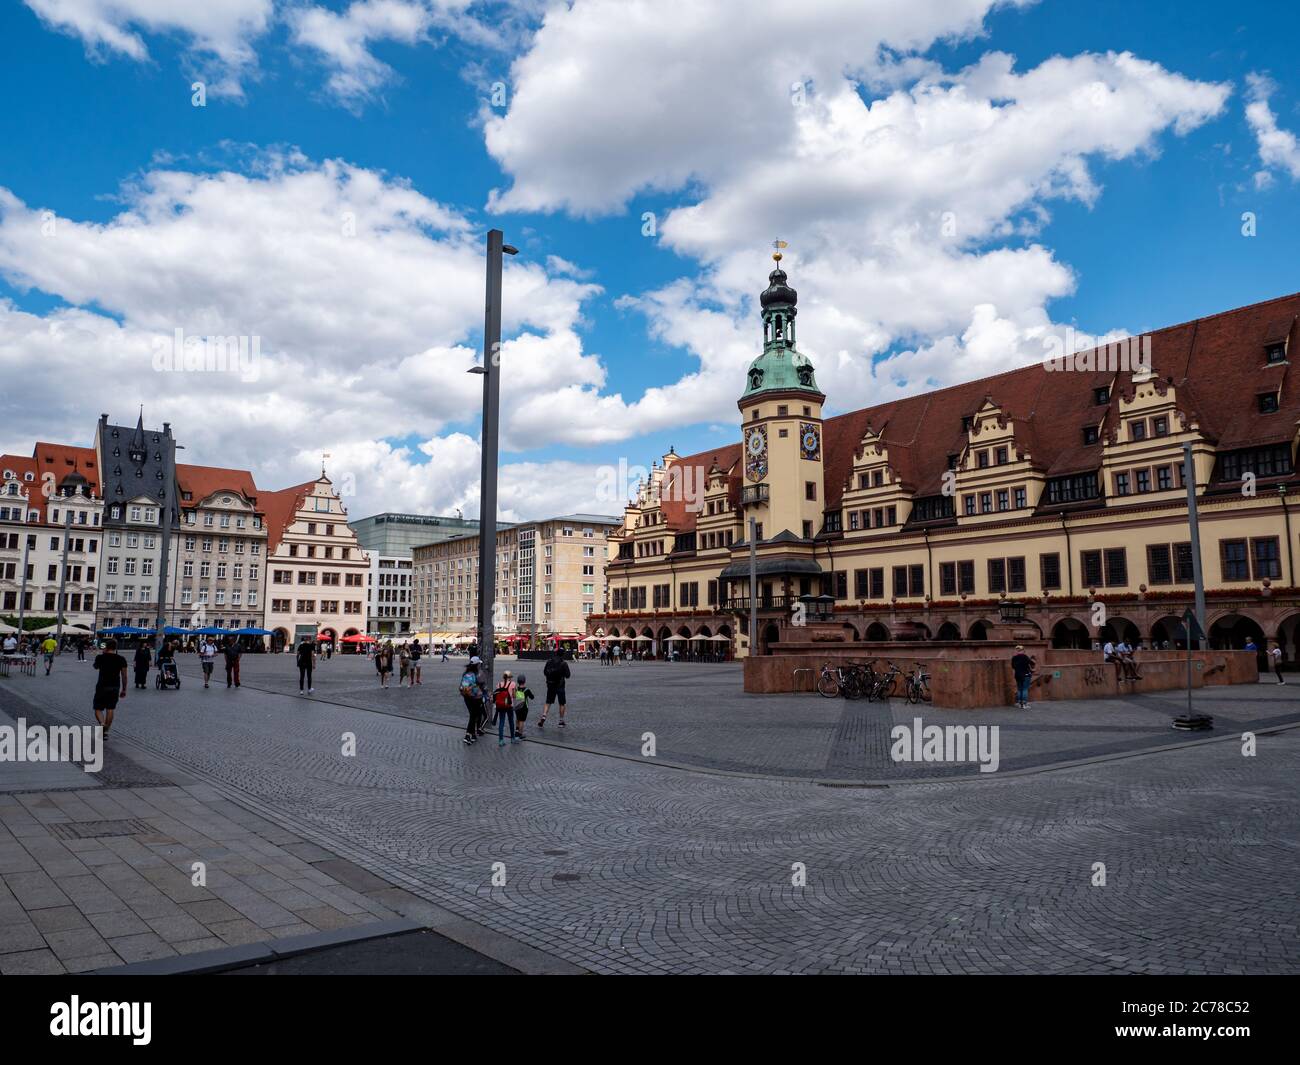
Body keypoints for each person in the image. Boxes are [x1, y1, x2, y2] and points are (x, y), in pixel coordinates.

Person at [92, 638, 128, 738]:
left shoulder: (101, 657)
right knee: (110, 708)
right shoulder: (121, 659)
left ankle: (102, 724)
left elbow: (95, 667)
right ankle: (106, 731)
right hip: (114, 686)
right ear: (115, 647)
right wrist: (124, 689)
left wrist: (103, 654)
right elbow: (124, 675)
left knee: (98, 708)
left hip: (102, 686)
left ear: (106, 647)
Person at [537, 649, 570, 729]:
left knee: (548, 702)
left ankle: (544, 715)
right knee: (562, 703)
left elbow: (545, 672)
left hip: (550, 684)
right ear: (563, 655)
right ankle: (561, 721)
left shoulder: (549, 661)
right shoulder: (564, 663)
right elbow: (568, 675)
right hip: (560, 685)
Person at [460, 658, 486, 745]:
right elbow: (483, 685)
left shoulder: (466, 673)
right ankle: (467, 735)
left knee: (473, 716)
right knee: (474, 716)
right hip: (475, 697)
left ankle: (472, 734)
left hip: (466, 697)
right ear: (477, 664)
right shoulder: (478, 673)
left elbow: (462, 686)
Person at [492, 670, 518, 747]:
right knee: (511, 722)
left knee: (501, 722)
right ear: (510, 678)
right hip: (509, 706)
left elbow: (496, 695)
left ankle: (501, 740)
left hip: (501, 706)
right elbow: (514, 696)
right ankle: (512, 738)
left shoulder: (499, 684)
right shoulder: (512, 684)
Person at [1011, 645, 1035, 710]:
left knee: (1019, 689)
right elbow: (1032, 663)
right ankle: (1024, 704)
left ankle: (1019, 703)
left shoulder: (1014, 658)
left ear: (1016, 651)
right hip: (1025, 675)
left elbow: (1013, 667)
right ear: (1023, 650)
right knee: (1025, 689)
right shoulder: (1025, 657)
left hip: (1018, 675)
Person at [513, 674, 535, 739]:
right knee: (522, 720)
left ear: (518, 681)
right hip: (524, 707)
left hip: (517, 707)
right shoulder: (527, 690)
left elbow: (513, 696)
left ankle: (516, 731)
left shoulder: (516, 689)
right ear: (524, 681)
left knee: (517, 718)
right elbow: (532, 697)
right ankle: (520, 734)